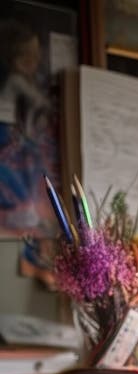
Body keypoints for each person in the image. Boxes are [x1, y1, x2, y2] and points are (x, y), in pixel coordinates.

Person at [0, 18, 50, 230]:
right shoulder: (16, 80)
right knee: (16, 162)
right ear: (15, 60)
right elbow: (38, 101)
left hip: (12, 129)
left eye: (37, 56)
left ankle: (25, 206)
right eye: (28, 57)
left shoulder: (24, 80)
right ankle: (21, 205)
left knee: (32, 158)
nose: (35, 62)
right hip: (4, 128)